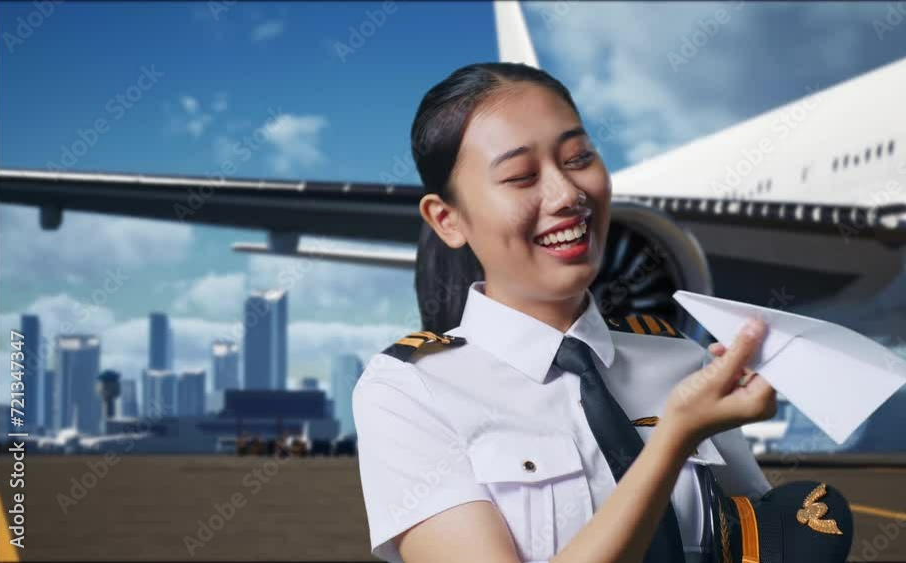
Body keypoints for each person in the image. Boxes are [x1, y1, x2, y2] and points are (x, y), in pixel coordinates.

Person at [353, 63, 851, 563]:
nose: (568, 194)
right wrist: (673, 437)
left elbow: (749, 540)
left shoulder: (684, 363)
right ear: (448, 219)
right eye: (521, 176)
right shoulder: (407, 391)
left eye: (579, 157)